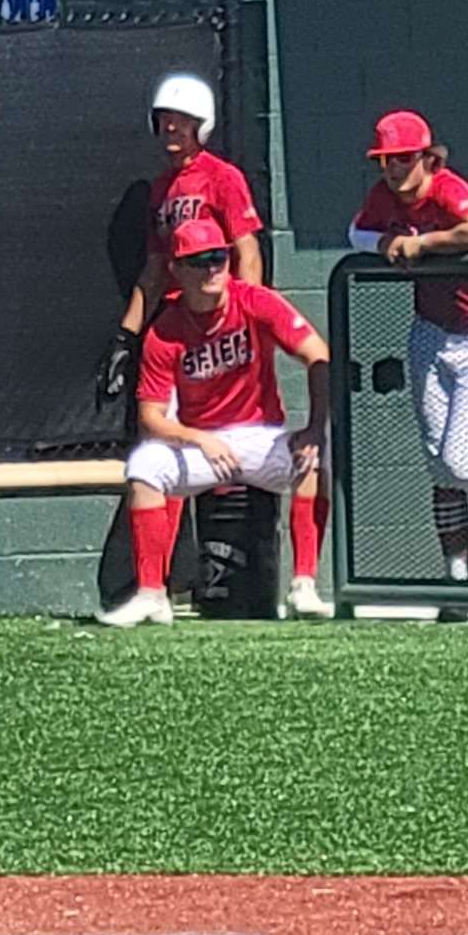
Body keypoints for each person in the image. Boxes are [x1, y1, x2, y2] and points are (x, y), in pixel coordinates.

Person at [103, 215, 336, 627]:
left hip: (259, 437)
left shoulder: (255, 301)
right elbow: (151, 418)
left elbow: (318, 356)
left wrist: (315, 427)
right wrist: (199, 439)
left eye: (219, 258)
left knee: (315, 461)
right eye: (199, 261)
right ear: (176, 269)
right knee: (144, 466)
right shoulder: (166, 330)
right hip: (203, 444)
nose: (212, 269)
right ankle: (152, 594)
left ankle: (304, 586)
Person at [348, 109, 468, 582]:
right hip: (430, 333)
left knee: (461, 463)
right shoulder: (385, 196)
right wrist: (385, 242)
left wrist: (424, 244)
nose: (393, 169)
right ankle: (458, 581)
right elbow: (355, 232)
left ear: (426, 158)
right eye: (385, 160)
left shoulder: (447, 187)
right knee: (440, 468)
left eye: (402, 158)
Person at [100, 73, 263, 403]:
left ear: (201, 124)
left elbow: (248, 252)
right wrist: (126, 336)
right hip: (177, 320)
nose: (171, 127)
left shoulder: (223, 177)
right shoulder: (161, 190)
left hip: (219, 315)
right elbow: (154, 271)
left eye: (182, 120)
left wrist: (248, 321)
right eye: (164, 119)